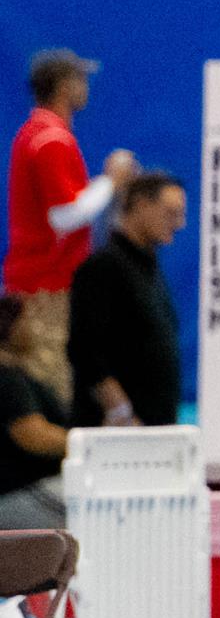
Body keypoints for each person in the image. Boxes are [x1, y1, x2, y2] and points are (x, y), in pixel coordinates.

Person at [3, 49, 137, 405]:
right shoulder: (51, 140)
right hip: (46, 287)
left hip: (41, 283)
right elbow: (63, 216)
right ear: (65, 86)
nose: (86, 88)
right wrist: (112, 181)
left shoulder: (39, 133)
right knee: (48, 385)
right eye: (81, 79)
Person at [67, 171, 187, 429]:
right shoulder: (103, 267)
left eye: (181, 214)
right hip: (122, 434)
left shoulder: (148, 269)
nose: (179, 224)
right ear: (142, 205)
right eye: (171, 213)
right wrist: (121, 413)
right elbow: (85, 351)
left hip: (155, 425)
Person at [0, 294, 72, 532]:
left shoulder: (16, 374)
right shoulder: (8, 379)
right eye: (27, 319)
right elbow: (32, 435)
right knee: (94, 499)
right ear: (10, 326)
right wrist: (86, 442)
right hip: (18, 493)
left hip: (26, 490)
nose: (33, 327)